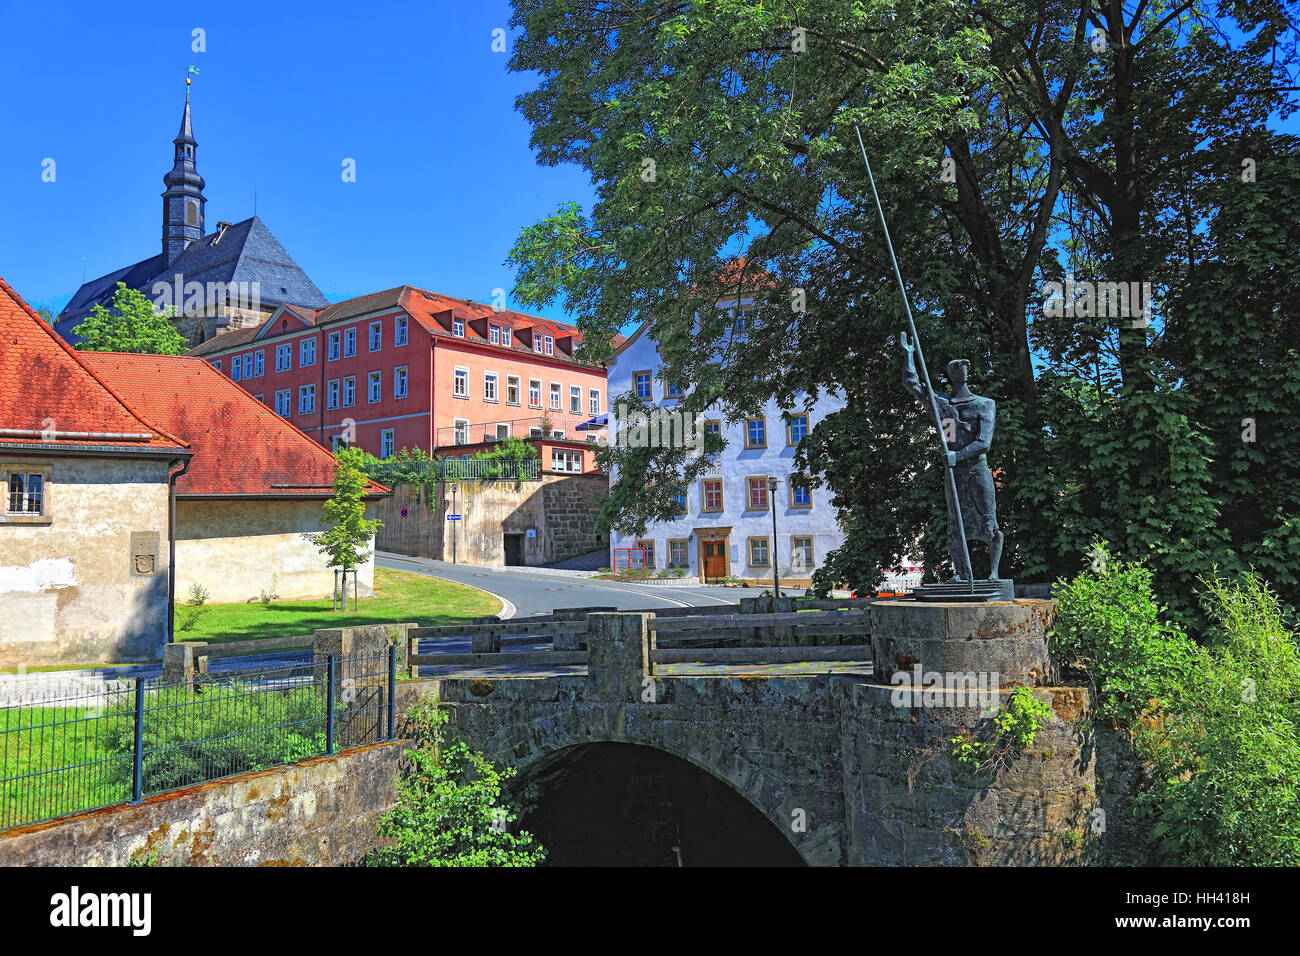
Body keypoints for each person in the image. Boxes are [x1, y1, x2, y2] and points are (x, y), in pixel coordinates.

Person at [901, 334, 1004, 581]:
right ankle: (961, 572)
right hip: (954, 472)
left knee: (988, 518)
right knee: (955, 523)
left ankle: (993, 573)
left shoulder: (984, 404)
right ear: (951, 374)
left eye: (965, 367)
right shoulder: (943, 405)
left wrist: (957, 456)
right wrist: (908, 355)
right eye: (957, 368)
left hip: (976, 468)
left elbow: (984, 443)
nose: (963, 370)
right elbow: (913, 384)